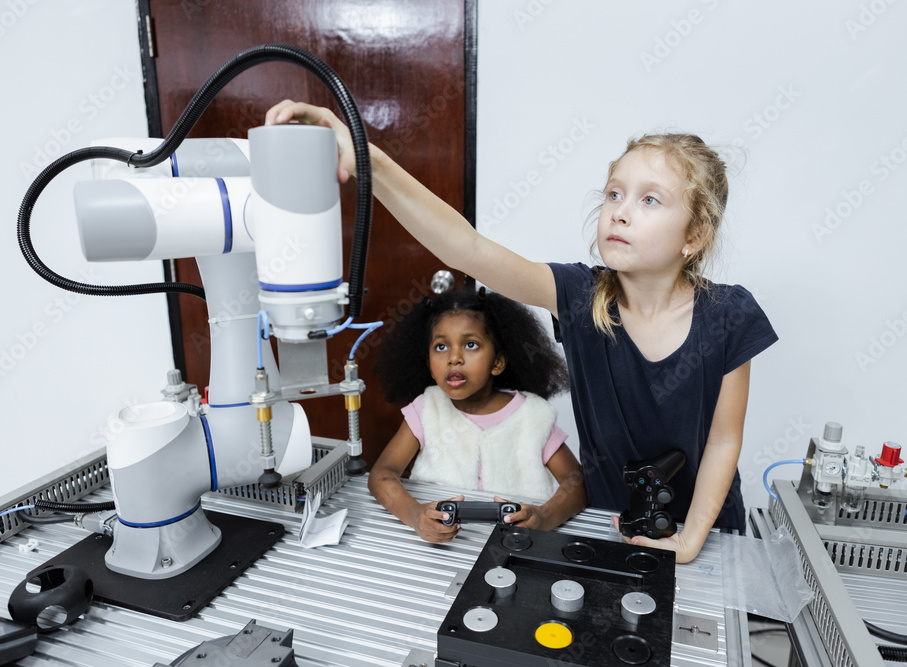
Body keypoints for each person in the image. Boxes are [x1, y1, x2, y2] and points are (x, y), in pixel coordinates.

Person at [265, 101, 777, 562]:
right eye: (614, 193)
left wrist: (688, 541)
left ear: (695, 235)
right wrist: (367, 158)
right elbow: (468, 248)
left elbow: (723, 441)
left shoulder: (729, 315)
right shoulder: (579, 295)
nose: (619, 210)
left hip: (706, 532)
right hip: (607, 524)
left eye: (649, 200)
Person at [366, 285, 586, 543]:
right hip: (440, 551)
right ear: (428, 362)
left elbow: (576, 481)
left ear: (497, 362)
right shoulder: (426, 408)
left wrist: (544, 517)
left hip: (516, 548)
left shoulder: (534, 417)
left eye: (470, 344)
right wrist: (415, 515)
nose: (454, 358)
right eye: (440, 347)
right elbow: (382, 474)